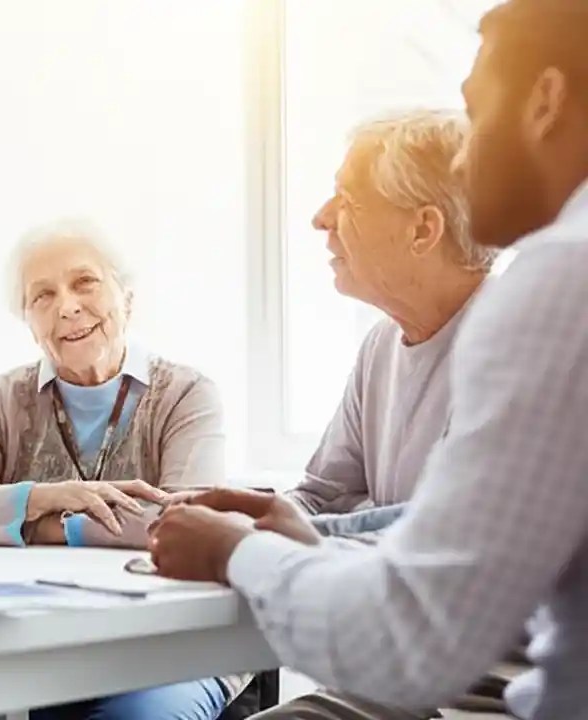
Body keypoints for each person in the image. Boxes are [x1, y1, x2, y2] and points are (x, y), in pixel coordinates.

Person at [147, 2, 588, 718]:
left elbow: (411, 640)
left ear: (545, 100)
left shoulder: (559, 282)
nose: (464, 159)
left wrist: (236, 552)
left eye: (475, 117)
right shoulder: (388, 343)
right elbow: (355, 507)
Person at [0, 219, 239, 720]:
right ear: (29, 323)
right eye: (43, 296)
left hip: (171, 649)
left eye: (85, 283)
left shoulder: (186, 393)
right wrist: (38, 498)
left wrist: (37, 523)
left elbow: (189, 523)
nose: (67, 306)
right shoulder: (5, 399)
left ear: (127, 297)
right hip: (43, 649)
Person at [291, 109, 497, 520]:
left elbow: (447, 535)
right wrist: (240, 518)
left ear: (422, 230)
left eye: (347, 200)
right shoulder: (381, 344)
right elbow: (320, 497)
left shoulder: (509, 348)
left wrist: (253, 541)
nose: (321, 219)